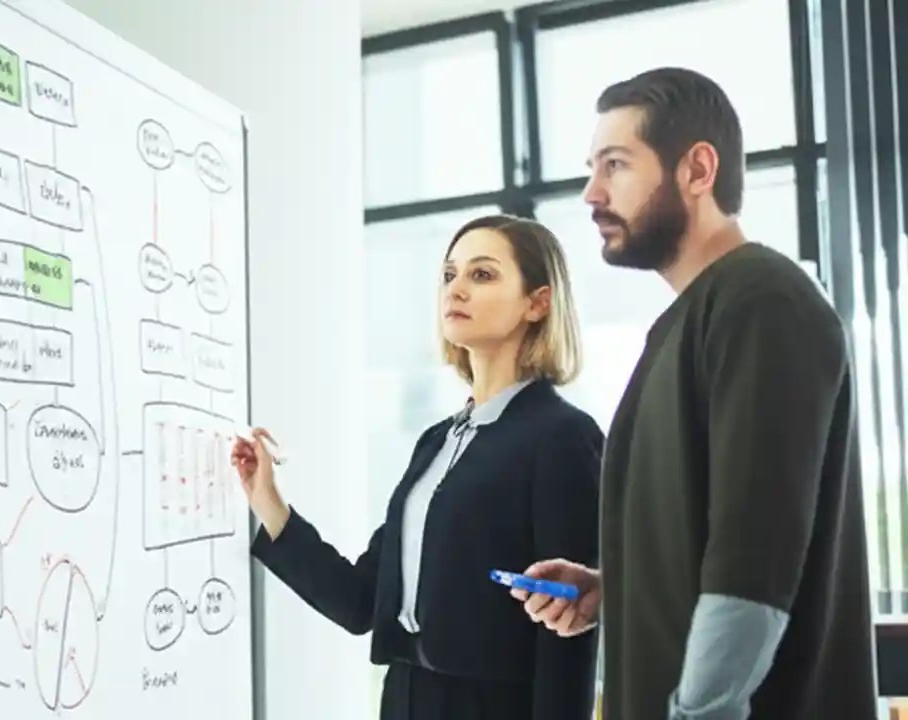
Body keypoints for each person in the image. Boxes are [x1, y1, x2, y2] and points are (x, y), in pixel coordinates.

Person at [511, 67, 879, 719]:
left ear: (698, 169)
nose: (592, 193)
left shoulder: (764, 302)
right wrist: (610, 591)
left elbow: (754, 558)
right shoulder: (683, 324)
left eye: (615, 165)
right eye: (591, 168)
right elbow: (709, 534)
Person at [231, 215, 603, 719]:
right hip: (405, 698)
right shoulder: (436, 442)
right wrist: (268, 502)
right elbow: (360, 600)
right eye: (449, 275)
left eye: (483, 274)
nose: (457, 289)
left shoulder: (562, 435)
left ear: (537, 303)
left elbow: (569, 637)